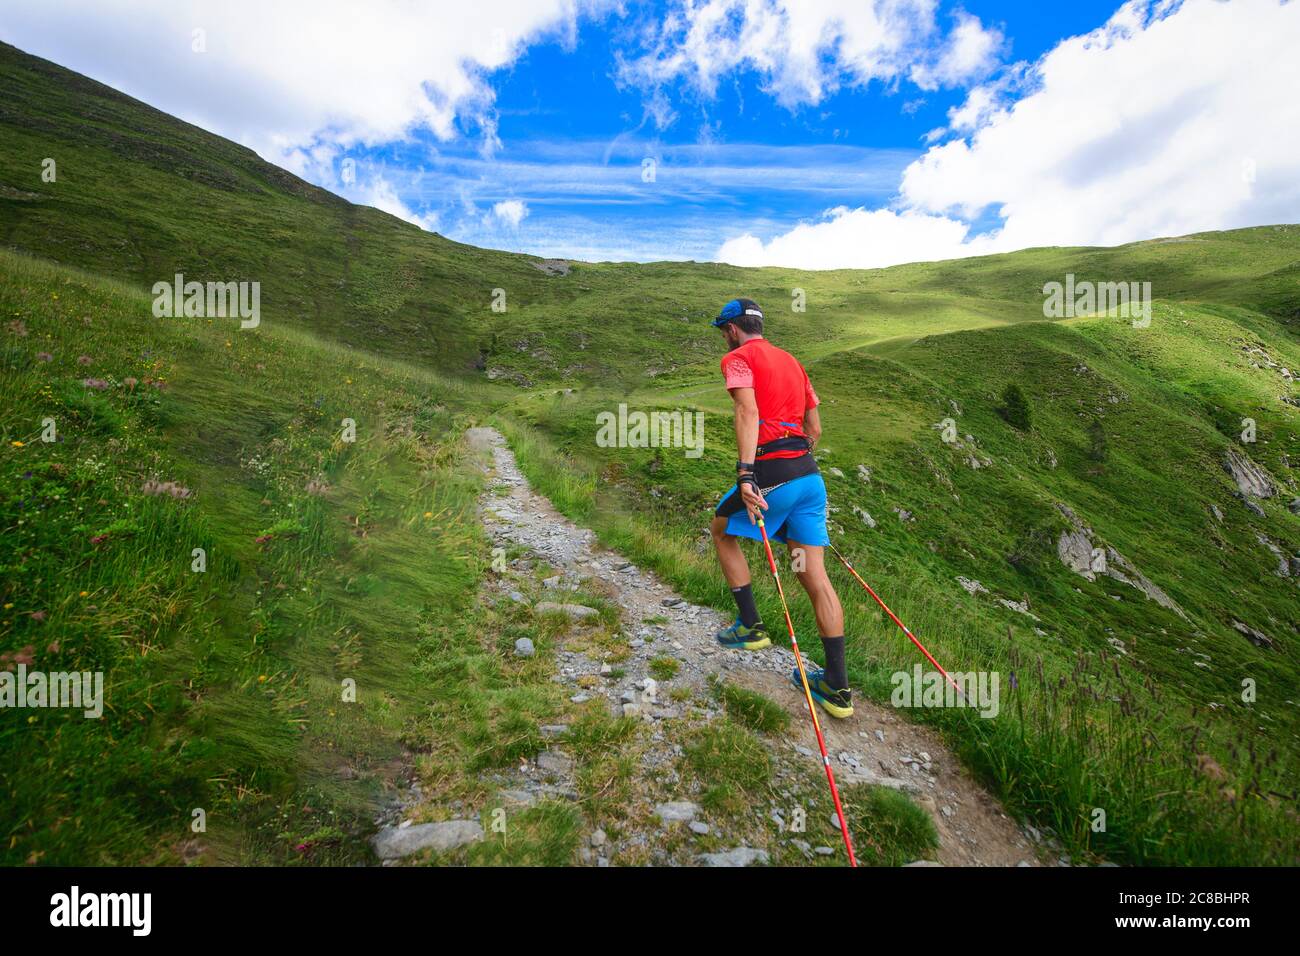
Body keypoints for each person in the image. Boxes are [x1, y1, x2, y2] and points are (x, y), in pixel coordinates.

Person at [708, 297, 853, 718]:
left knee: (722, 531)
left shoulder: (737, 359)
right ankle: (837, 688)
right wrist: (797, 459)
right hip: (810, 477)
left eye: (723, 331)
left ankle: (751, 627)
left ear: (734, 328)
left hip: (772, 472)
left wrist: (746, 473)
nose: (723, 338)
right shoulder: (793, 362)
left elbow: (746, 409)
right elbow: (814, 428)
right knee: (815, 577)